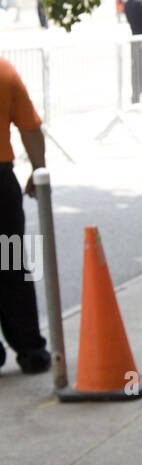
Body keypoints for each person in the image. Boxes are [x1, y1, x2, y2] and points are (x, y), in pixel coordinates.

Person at [0, 59, 51, 374]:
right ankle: (31, 350)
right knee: (12, 264)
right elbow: (30, 127)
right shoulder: (4, 70)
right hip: (0, 184)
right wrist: (38, 168)